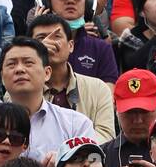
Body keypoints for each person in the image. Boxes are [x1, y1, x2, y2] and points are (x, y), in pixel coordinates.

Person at [0, 36, 95, 161]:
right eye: (11, 64)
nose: (19, 69)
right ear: (2, 77)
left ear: (47, 73)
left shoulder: (75, 124)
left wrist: (62, 164)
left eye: (28, 63)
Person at [25, 11, 114, 142]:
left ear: (71, 46)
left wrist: (69, 150)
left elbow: (105, 136)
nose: (50, 43)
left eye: (57, 37)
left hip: (86, 155)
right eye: (41, 38)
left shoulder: (98, 88)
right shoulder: (21, 89)